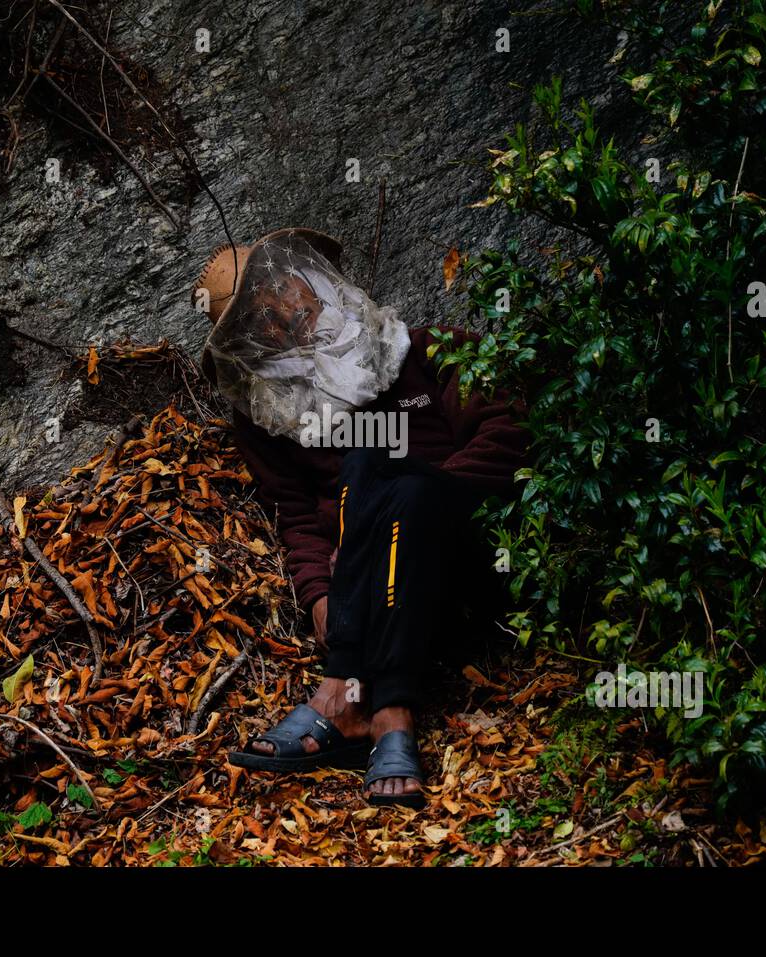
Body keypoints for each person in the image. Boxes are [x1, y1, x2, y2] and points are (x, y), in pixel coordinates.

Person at [193, 227, 529, 808]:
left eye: (281, 288)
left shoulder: (426, 349)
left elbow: (511, 431)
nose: (280, 312)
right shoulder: (264, 417)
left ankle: (344, 700)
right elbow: (293, 512)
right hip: (370, 593)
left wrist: (421, 488)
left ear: (308, 279)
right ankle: (391, 717)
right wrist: (321, 594)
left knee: (387, 471)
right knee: (367, 463)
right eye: (256, 315)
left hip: (469, 561)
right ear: (246, 340)